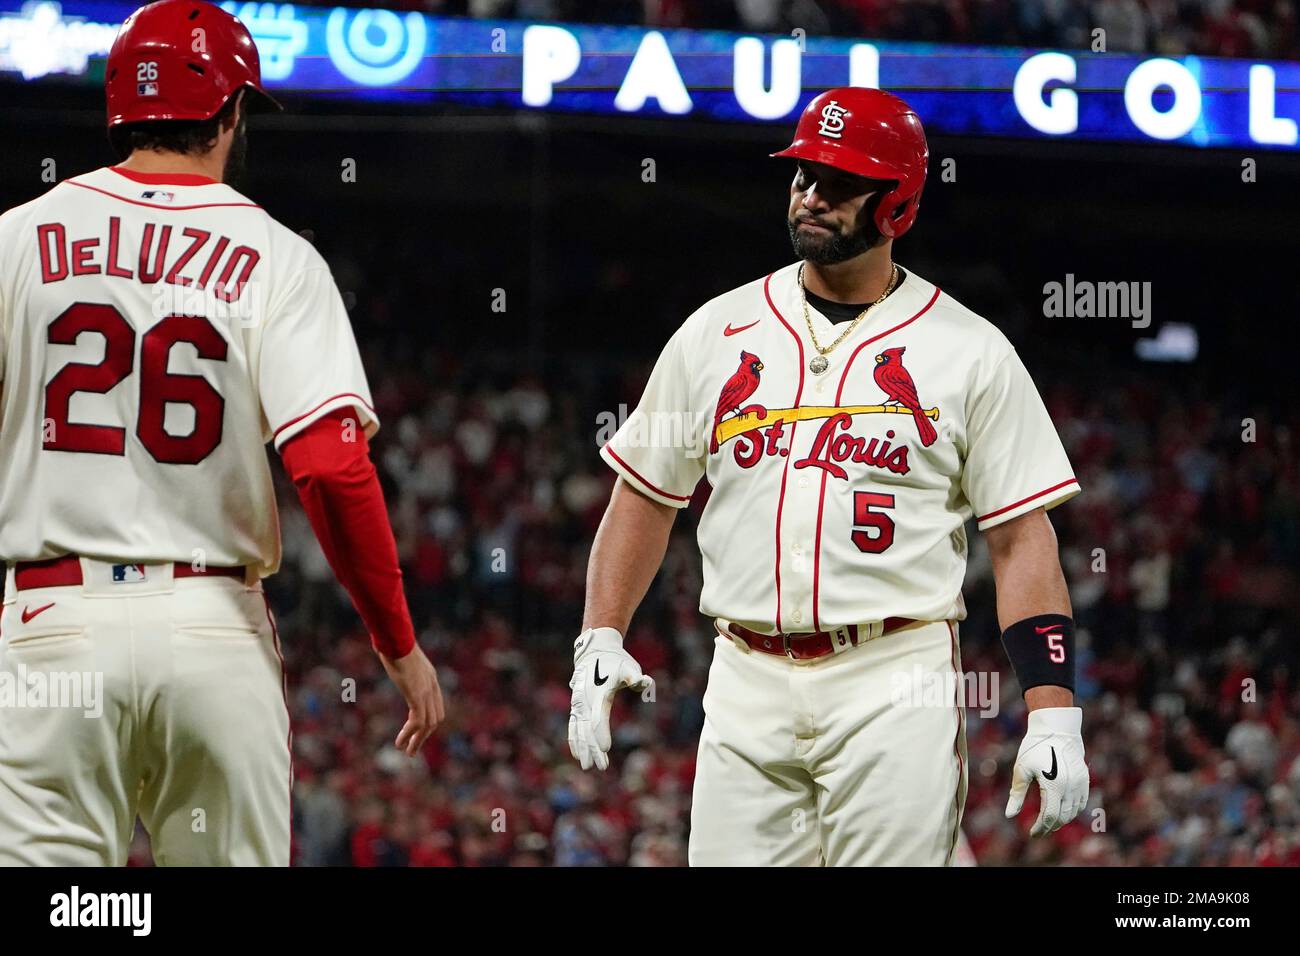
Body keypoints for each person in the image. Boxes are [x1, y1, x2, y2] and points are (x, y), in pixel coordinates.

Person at [567, 87, 1089, 865]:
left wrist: (1053, 712)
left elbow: (1020, 541)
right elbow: (644, 496)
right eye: (804, 174)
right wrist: (599, 635)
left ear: (897, 206)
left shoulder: (970, 351)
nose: (810, 195)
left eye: (839, 182)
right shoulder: (715, 331)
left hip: (893, 676)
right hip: (743, 674)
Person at [0, 0, 442, 866]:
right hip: (210, 626)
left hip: (51, 620)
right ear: (231, 112)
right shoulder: (278, 256)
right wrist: (397, 645)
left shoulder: (16, 239)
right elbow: (328, 468)